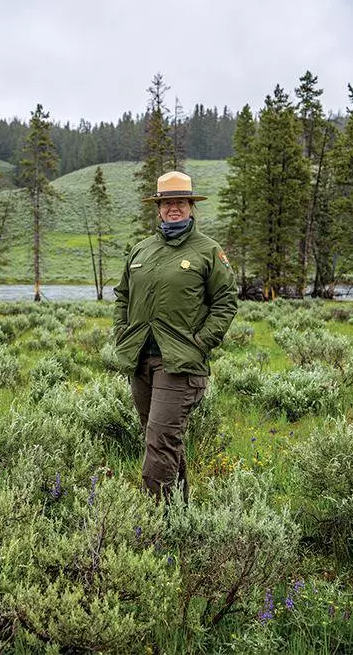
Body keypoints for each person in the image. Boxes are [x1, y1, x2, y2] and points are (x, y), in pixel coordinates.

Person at [112, 171, 237, 502]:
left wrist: (201, 342)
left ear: (191, 206)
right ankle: (179, 512)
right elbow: (122, 296)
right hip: (141, 359)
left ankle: (155, 520)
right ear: (158, 207)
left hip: (180, 363)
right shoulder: (141, 250)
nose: (173, 208)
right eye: (167, 202)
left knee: (160, 437)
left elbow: (226, 302)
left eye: (180, 202)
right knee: (161, 439)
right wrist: (121, 333)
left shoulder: (208, 251)